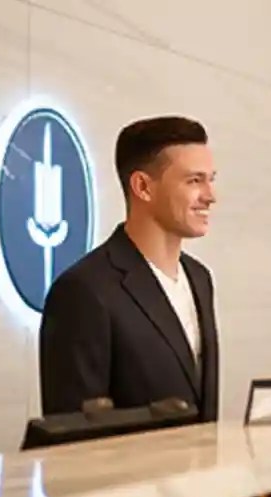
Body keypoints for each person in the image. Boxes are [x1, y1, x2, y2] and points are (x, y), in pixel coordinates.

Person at [39, 116, 221, 421]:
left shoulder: (200, 279)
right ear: (142, 187)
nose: (210, 196)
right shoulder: (84, 290)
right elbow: (71, 439)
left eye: (210, 179)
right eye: (194, 181)